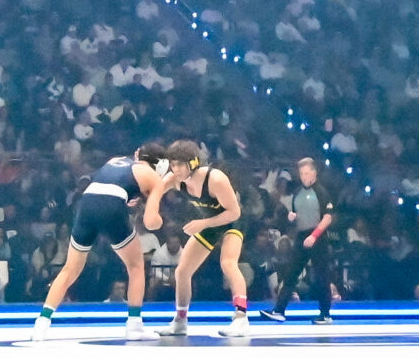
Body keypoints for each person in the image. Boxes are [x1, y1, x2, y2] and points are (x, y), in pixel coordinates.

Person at [28, 144, 180, 341]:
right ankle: (134, 326)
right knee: (136, 266)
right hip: (111, 207)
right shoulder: (153, 177)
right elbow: (150, 222)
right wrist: (161, 219)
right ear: (160, 166)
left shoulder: (116, 160)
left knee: (70, 270)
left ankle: (41, 324)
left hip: (86, 205)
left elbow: (112, 184)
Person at [164, 140, 250, 341]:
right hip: (210, 222)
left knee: (228, 263)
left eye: (179, 165)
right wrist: (134, 197)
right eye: (172, 165)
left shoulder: (215, 179)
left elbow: (234, 212)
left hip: (232, 221)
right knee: (182, 271)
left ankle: (241, 318)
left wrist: (203, 223)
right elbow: (153, 190)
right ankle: (180, 320)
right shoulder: (175, 179)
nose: (175, 169)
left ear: (193, 163)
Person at [265, 156, 337, 324]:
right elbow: (298, 213)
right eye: (301, 173)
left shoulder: (321, 192)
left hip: (318, 237)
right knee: (291, 273)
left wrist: (314, 235)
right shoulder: (297, 192)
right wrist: (292, 217)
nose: (304, 177)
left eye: (306, 173)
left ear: (314, 173)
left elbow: (327, 218)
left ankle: (325, 314)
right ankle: (279, 310)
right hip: (301, 236)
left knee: (321, 276)